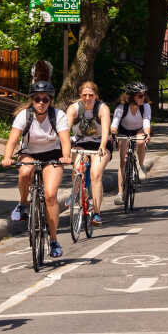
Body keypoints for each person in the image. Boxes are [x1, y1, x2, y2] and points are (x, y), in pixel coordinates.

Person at [3, 80, 72, 259]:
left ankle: (54, 239)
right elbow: (12, 139)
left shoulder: (58, 115)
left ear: (50, 101)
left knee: (50, 195)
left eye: (45, 99)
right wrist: (7, 157)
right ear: (32, 100)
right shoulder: (24, 115)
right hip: (29, 153)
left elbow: (65, 140)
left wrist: (66, 156)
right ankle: (23, 203)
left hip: (53, 155)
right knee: (25, 172)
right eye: (37, 99)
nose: (41, 103)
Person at [64, 81, 111, 226]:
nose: (87, 98)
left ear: (96, 96)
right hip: (80, 144)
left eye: (91, 95)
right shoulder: (74, 109)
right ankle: (76, 193)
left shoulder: (102, 108)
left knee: (96, 174)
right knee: (78, 168)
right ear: (80, 96)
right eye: (84, 95)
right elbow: (65, 130)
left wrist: (102, 146)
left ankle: (96, 213)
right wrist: (65, 149)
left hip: (99, 144)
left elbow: (105, 131)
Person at [112, 82, 153, 193]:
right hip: (124, 131)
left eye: (144, 95)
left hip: (138, 130)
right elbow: (115, 123)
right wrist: (113, 133)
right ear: (131, 97)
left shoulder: (145, 107)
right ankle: (120, 193)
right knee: (123, 161)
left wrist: (147, 134)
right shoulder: (122, 107)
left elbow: (146, 121)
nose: (143, 98)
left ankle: (141, 165)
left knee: (140, 142)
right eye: (140, 96)